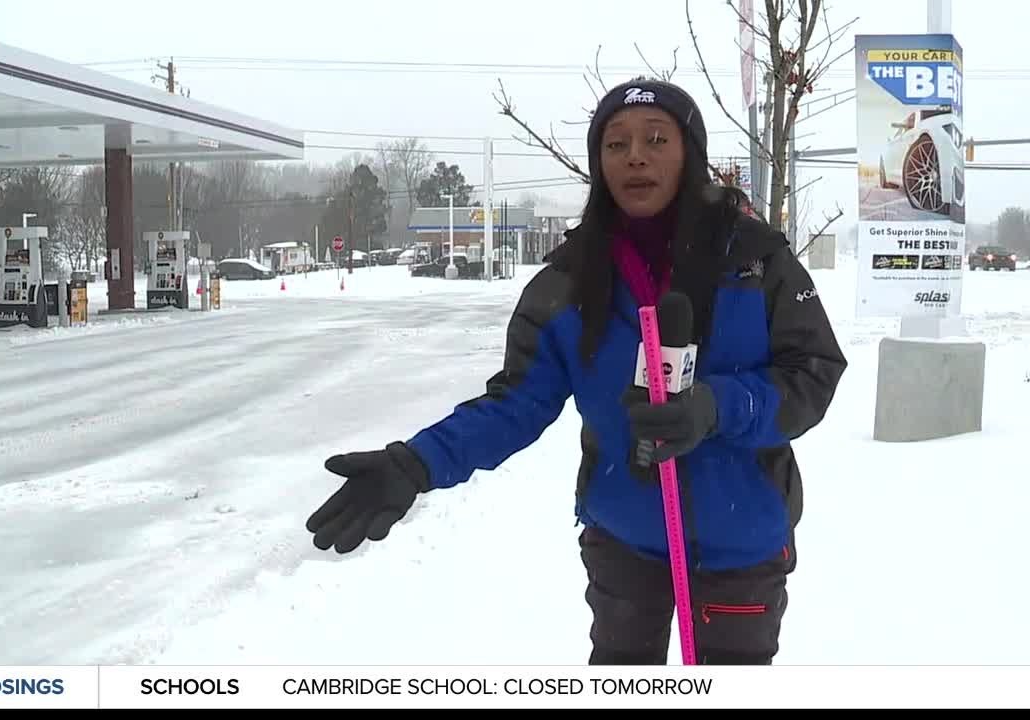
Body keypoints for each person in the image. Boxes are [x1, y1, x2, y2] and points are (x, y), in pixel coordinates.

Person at [305, 78, 848, 666]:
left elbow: (813, 372)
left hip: (741, 544)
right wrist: (415, 464)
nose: (635, 156)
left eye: (656, 139)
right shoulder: (569, 282)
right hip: (624, 544)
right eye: (616, 144)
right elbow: (515, 404)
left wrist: (718, 407)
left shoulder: (757, 262)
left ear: (689, 155)